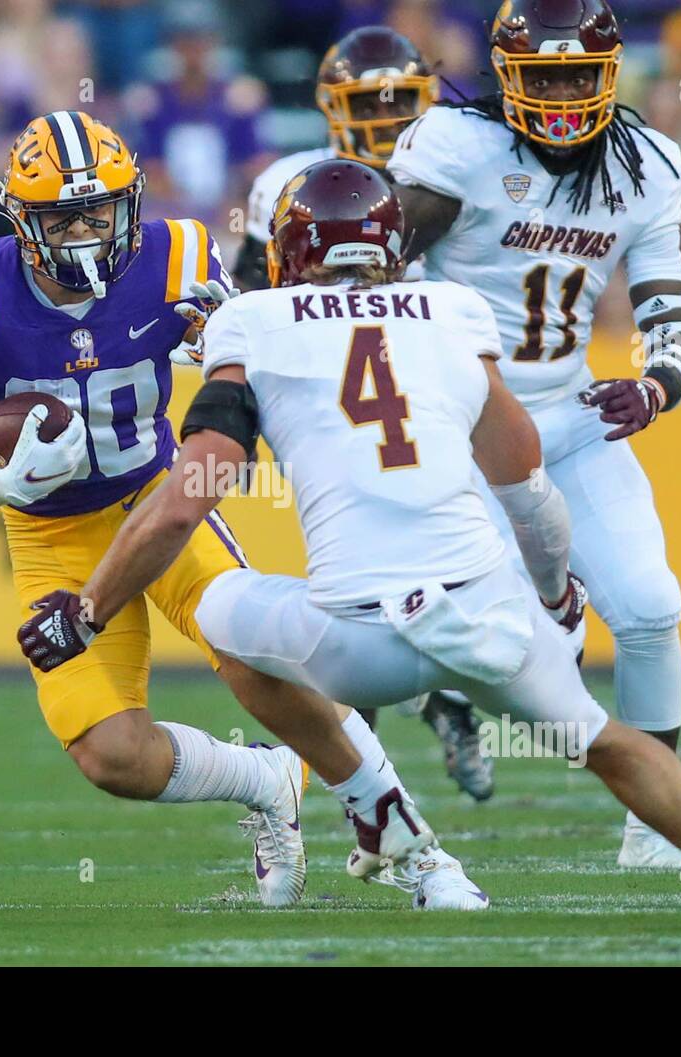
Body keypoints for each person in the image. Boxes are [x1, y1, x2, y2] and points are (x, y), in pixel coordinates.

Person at [21, 158, 681, 925]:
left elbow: (183, 502)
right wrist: (555, 598)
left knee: (228, 621)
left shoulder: (252, 321)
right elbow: (527, 489)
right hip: (488, 620)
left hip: (356, 643)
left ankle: (377, 805)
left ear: (289, 255)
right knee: (608, 743)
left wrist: (87, 614)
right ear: (396, 248)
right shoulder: (452, 312)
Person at [0, 111, 471, 910]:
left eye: (98, 210)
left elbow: (247, 367)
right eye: (62, 217)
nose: (85, 232)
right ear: (22, 221)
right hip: (51, 533)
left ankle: (413, 847)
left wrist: (219, 343)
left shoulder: (179, 259)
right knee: (112, 756)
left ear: (128, 202)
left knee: (255, 660)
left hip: (156, 499)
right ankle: (266, 780)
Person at [385, 0, 681, 868]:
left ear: (609, 75)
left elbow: (668, 306)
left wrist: (658, 385)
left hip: (571, 417)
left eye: (577, 76)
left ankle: (658, 823)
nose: (562, 95)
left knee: (647, 606)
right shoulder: (459, 145)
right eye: (544, 77)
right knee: (463, 646)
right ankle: (372, 800)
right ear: (506, 76)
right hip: (463, 430)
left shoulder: (646, 164)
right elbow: (382, 257)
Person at [233, 24, 494, 801]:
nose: (383, 121)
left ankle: (438, 712)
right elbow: (256, 285)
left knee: (428, 576)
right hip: (332, 394)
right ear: (329, 108)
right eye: (365, 106)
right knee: (359, 584)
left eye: (399, 104)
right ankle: (417, 730)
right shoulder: (287, 178)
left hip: (423, 397)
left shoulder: (444, 166)